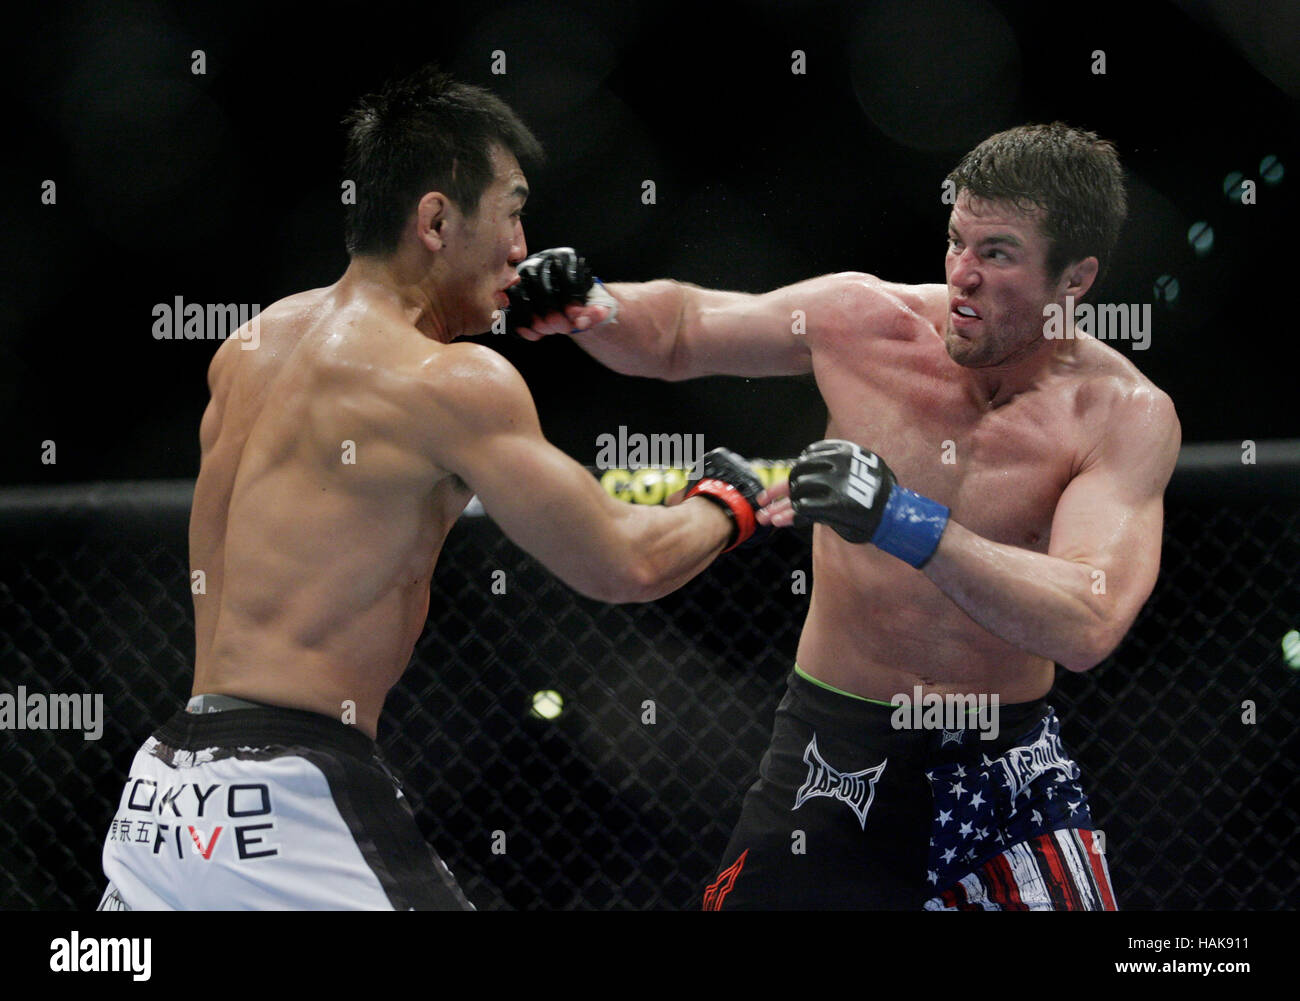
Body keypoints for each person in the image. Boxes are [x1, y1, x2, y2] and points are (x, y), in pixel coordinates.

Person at [96, 66, 766, 911]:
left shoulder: (250, 345)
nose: (524, 246)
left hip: (162, 797)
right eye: (514, 210)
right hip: (290, 802)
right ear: (438, 220)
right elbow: (623, 563)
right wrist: (726, 501)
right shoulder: (451, 383)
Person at [510, 123, 1181, 909]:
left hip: (1001, 768)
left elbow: (1089, 619)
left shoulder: (1121, 414)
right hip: (832, 750)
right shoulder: (866, 323)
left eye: (997, 253)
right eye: (956, 240)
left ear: (1076, 278)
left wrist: (903, 520)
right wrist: (596, 303)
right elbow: (684, 330)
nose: (962, 274)